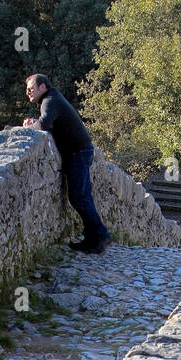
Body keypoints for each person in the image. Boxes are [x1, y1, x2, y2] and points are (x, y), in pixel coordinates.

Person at [23, 74, 111, 254]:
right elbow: (49, 122)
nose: (28, 92)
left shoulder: (49, 100)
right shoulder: (52, 98)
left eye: (31, 88)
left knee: (79, 197)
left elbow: (45, 124)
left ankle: (100, 236)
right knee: (82, 196)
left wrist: (28, 128)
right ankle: (93, 238)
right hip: (81, 150)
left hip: (78, 152)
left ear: (43, 87)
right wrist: (36, 122)